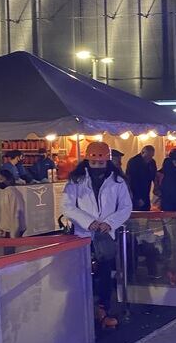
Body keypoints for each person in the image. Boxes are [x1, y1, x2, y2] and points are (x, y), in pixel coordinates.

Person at [61, 141, 132, 330]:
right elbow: (67, 206)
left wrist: (108, 224)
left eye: (101, 163)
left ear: (107, 161)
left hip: (106, 236)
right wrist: (88, 222)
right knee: (82, 274)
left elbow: (126, 207)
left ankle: (103, 310)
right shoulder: (76, 180)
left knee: (105, 274)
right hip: (83, 235)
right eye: (94, 163)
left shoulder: (118, 181)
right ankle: (82, 311)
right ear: (87, 160)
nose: (97, 166)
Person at [126, 145, 157, 211]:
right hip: (136, 192)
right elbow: (132, 181)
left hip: (146, 190)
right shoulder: (134, 162)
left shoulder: (152, 162)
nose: (149, 158)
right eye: (148, 156)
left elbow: (154, 176)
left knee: (146, 209)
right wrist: (137, 197)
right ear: (142, 152)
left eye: (151, 156)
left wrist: (156, 187)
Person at [0, 170, 24, 237]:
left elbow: (16, 213)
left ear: (9, 180)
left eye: (1, 179)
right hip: (7, 230)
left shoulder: (11, 193)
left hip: (11, 230)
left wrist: (13, 233)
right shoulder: (4, 192)